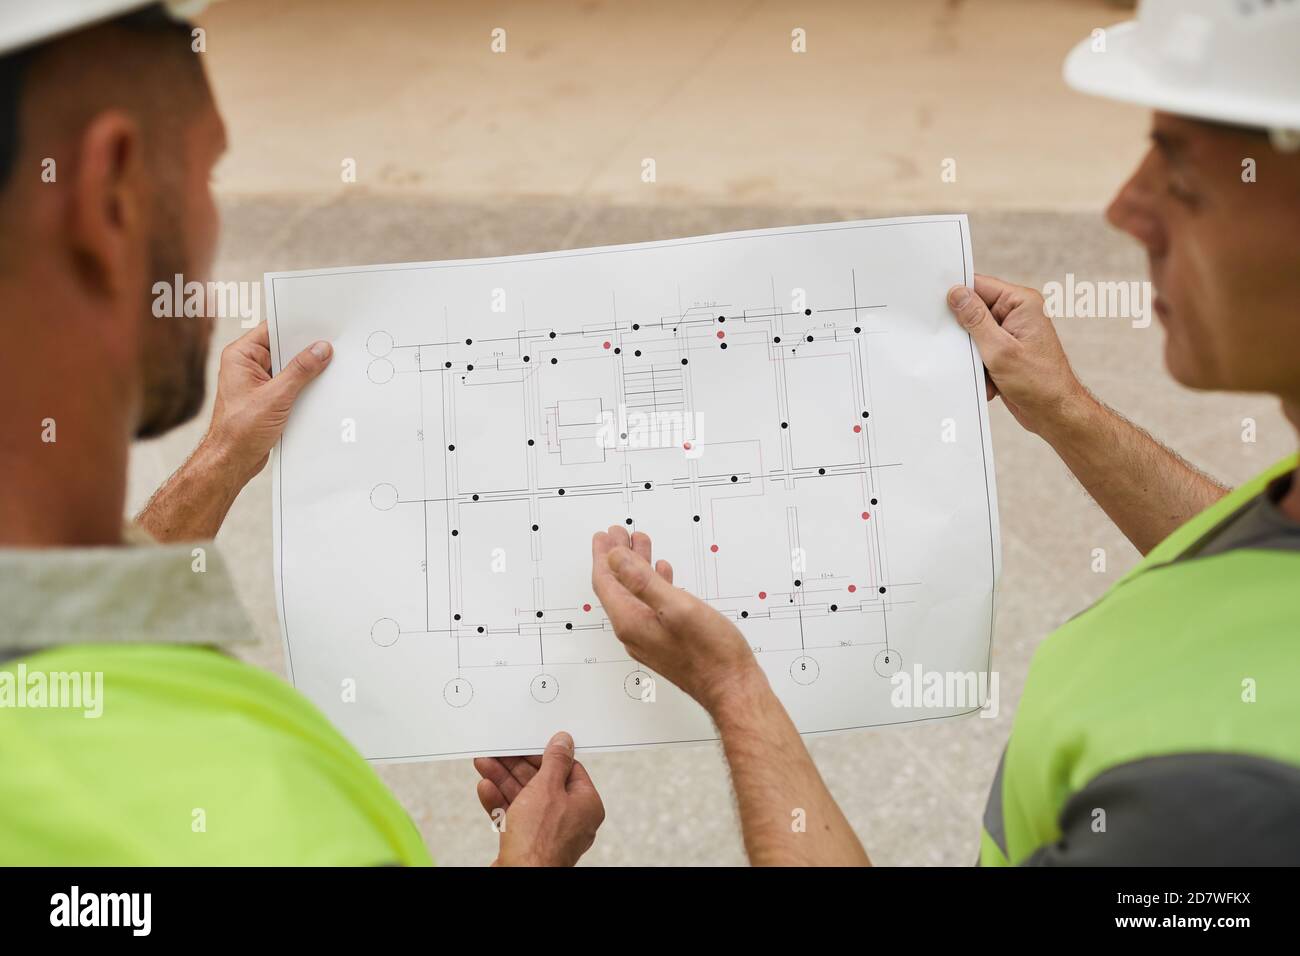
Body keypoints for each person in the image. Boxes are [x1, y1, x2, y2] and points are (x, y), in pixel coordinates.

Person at [573, 0, 1300, 865]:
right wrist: (1063, 410)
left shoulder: (1223, 816)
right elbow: (1255, 566)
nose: (1125, 210)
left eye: (1181, 178)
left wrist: (733, 690)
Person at [0, 1, 604, 866]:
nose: (211, 226)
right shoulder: (262, 818)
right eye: (206, 176)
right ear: (112, 199)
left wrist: (219, 460)